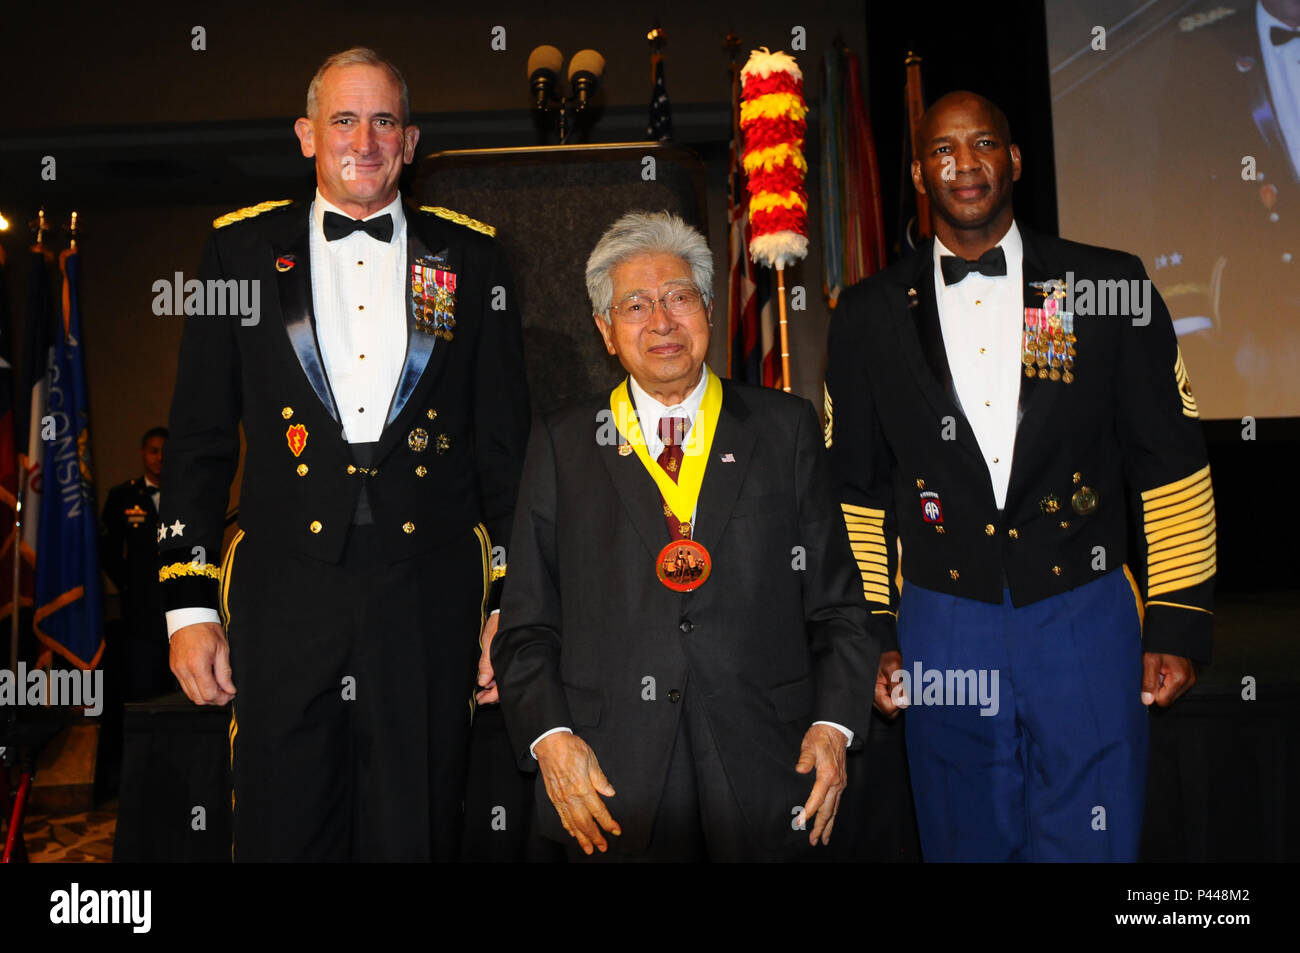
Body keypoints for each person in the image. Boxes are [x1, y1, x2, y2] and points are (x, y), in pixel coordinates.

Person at [158, 47, 530, 861]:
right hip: (285, 586)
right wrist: (187, 607)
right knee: (279, 826)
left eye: (385, 120)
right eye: (344, 119)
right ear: (306, 135)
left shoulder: (470, 258)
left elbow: (505, 450)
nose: (365, 139)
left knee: (418, 824)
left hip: (428, 589)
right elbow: (198, 440)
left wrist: (510, 600)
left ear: (412, 139)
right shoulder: (238, 254)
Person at [825, 91, 1215, 861]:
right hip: (943, 618)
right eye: (943, 149)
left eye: (983, 145)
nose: (964, 165)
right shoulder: (867, 312)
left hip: (1085, 608)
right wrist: (872, 633)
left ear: (1014, 160)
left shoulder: (1107, 287)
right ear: (917, 171)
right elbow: (855, 490)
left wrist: (1176, 617)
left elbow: (1169, 463)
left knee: (1094, 836)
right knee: (963, 836)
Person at [484, 211, 876, 862]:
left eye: (678, 297)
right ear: (605, 331)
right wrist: (551, 739)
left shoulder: (785, 430)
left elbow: (838, 607)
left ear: (709, 310)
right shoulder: (561, 444)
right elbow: (526, 627)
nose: (661, 321)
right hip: (607, 777)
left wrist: (835, 726)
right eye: (635, 304)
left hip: (771, 766)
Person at [100, 427, 173, 702]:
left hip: (178, 599)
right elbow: (107, 549)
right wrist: (128, 583)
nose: (159, 457)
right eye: (154, 451)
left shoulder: (186, 495)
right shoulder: (123, 497)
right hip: (140, 607)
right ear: (143, 454)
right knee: (144, 683)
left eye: (165, 451)